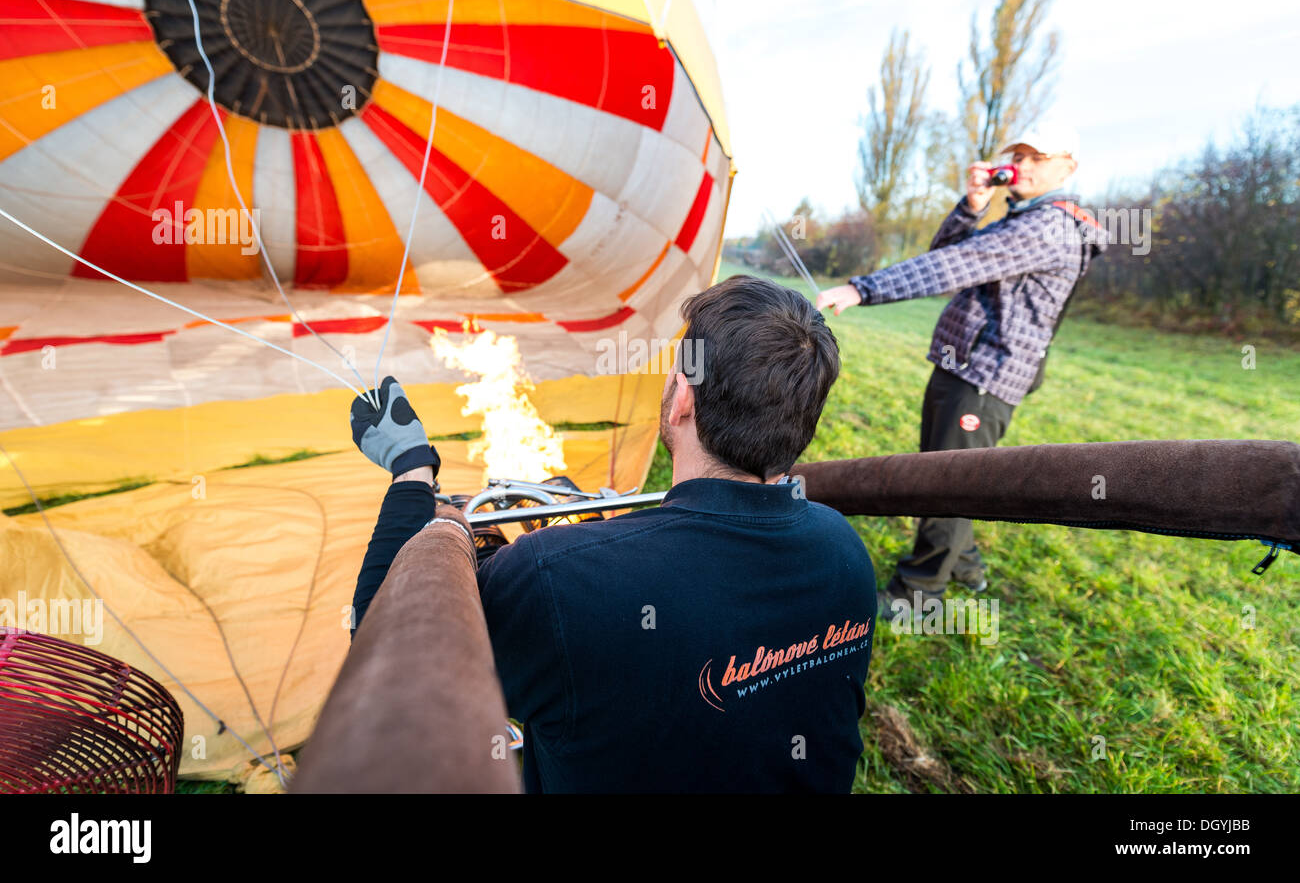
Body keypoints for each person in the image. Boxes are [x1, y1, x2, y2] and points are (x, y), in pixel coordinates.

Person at [348, 275, 877, 793]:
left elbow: (386, 653)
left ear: (683, 400)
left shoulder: (551, 579)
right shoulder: (844, 553)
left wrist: (412, 471)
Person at [816, 121, 1109, 616]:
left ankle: (918, 592)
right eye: (1020, 155)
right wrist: (973, 206)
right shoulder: (1025, 216)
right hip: (971, 367)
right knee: (955, 469)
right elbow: (949, 253)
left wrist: (861, 289)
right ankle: (965, 562)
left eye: (1039, 158)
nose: (1025, 165)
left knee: (943, 480)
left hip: (983, 374)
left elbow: (952, 267)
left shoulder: (1047, 225)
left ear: (1068, 168)